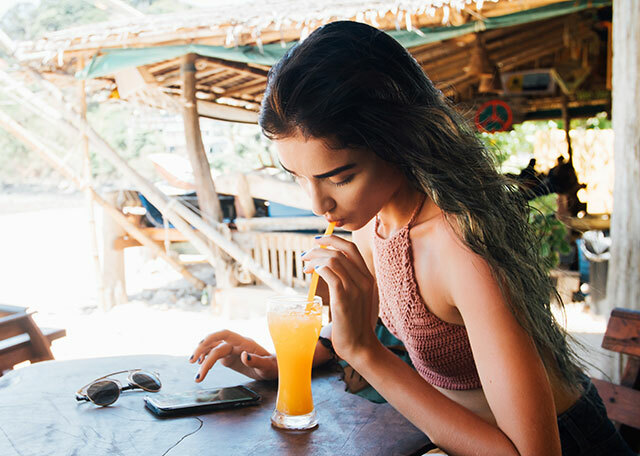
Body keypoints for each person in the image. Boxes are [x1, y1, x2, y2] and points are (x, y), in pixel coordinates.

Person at [188, 21, 634, 456]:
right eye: (298, 177)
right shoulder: (371, 221)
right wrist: (280, 359)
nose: (317, 205)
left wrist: (366, 354)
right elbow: (349, 329)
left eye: (340, 177)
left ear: (400, 140)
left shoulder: (461, 246)